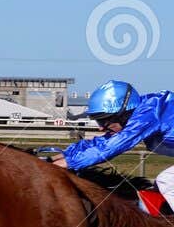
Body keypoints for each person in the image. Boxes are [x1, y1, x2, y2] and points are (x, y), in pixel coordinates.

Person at [53, 80, 174, 209]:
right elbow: (101, 143)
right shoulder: (140, 112)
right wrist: (60, 156)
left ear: (122, 114)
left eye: (103, 121)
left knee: (166, 181)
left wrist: (68, 162)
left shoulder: (149, 113)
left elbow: (110, 148)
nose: (101, 128)